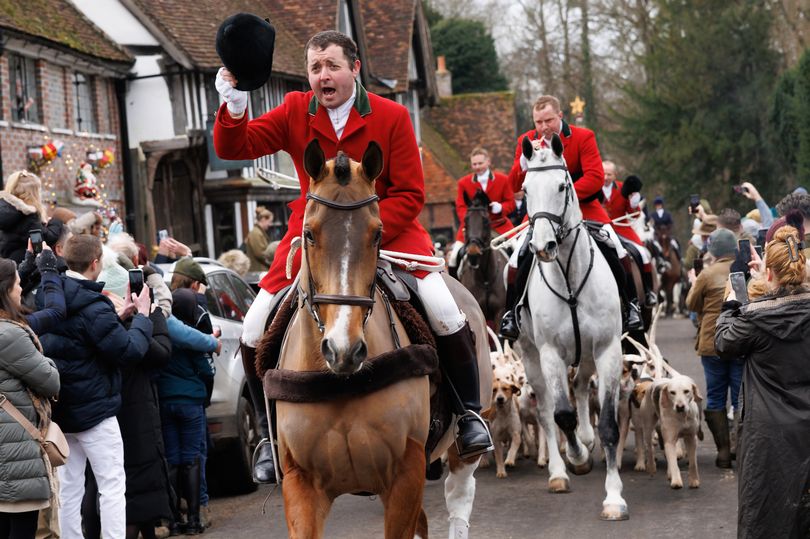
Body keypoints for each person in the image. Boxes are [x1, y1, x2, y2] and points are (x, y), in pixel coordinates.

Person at [213, 29, 493, 482]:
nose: (323, 76)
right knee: (253, 323)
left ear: (354, 69)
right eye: (315, 68)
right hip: (314, 240)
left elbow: (410, 192)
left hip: (388, 235)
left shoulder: (393, 115)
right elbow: (234, 148)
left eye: (332, 66)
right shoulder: (293, 111)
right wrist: (236, 102)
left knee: (445, 310)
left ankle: (468, 415)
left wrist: (368, 235)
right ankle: (268, 436)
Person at [36, 234, 154, 539]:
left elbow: (79, 337)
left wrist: (119, 315)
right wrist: (141, 317)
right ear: (96, 263)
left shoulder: (48, 296)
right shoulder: (93, 304)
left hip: (62, 409)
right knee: (112, 484)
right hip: (95, 410)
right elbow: (128, 351)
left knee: (71, 487)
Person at [500, 95, 644, 341]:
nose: (543, 127)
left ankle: (631, 305)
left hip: (584, 208)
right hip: (542, 214)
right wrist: (525, 160)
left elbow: (595, 176)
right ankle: (512, 314)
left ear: (560, 116)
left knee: (616, 247)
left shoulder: (583, 136)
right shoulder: (526, 141)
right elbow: (513, 184)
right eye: (538, 122)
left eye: (548, 120)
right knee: (516, 258)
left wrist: (564, 197)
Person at [715, 224, 810, 538]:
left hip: (769, 437)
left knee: (767, 514)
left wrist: (731, 304)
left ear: (769, 273)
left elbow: (724, 343)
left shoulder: (753, 319)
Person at [0, 259, 61, 539]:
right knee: (22, 529)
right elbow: (50, 381)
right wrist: (46, 359)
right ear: (6, 289)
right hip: (14, 451)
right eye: (17, 282)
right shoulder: (9, 335)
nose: (21, 286)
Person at [160, 288, 219, 535]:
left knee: (172, 459)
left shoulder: (160, 332)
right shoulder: (191, 338)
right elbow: (207, 371)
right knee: (192, 458)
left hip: (165, 401)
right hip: (191, 403)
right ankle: (194, 519)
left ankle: (173, 520)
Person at [684, 228, 740, 469]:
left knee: (716, 396)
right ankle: (743, 448)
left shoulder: (706, 274)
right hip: (740, 341)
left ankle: (724, 453)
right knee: (741, 397)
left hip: (712, 342)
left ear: (713, 251)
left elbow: (691, 304)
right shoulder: (744, 270)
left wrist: (697, 283)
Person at [447, 147, 516, 276]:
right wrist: (468, 220)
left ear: (488, 162)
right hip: (472, 227)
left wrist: (500, 208)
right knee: (452, 258)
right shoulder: (463, 183)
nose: (477, 167)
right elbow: (460, 206)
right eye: (474, 164)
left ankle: (519, 290)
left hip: (499, 225)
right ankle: (454, 292)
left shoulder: (503, 179)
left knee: (518, 250)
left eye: (480, 163)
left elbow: (511, 203)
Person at [600, 162, 657, 306]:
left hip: (621, 229)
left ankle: (648, 291)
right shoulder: (593, 186)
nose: (606, 177)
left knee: (643, 253)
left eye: (609, 174)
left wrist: (633, 205)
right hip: (599, 227)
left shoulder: (622, 188)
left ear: (615, 175)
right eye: (604, 173)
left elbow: (635, 214)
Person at [0, 171, 47, 264]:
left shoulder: (4, 208)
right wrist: (55, 225)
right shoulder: (31, 216)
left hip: (5, 261)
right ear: (34, 195)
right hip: (22, 265)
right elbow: (38, 247)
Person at [245, 207, 274, 272]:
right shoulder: (256, 233)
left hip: (260, 270)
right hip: (258, 271)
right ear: (263, 219)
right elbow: (260, 254)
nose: (270, 224)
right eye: (269, 221)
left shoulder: (259, 232)